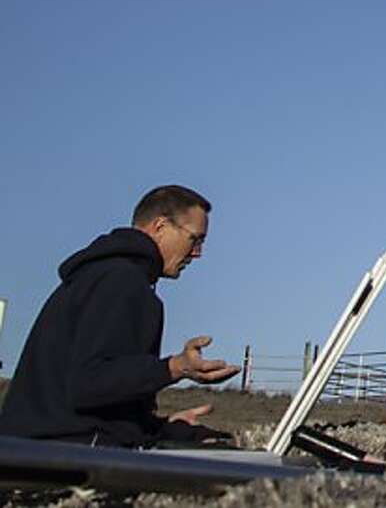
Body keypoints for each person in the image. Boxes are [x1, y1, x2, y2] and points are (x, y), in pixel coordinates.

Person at [0, 185, 241, 446]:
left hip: (40, 450)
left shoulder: (101, 277)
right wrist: (174, 367)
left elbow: (99, 402)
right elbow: (90, 383)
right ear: (160, 226)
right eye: (195, 239)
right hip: (59, 463)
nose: (197, 253)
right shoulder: (121, 281)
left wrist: (163, 427)